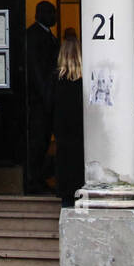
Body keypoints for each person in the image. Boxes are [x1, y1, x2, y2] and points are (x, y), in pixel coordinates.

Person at [24, 1, 59, 194]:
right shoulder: (34, 35)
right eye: (51, 13)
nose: (54, 16)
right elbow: (37, 70)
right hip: (39, 101)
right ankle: (33, 180)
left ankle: (38, 178)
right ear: (40, 14)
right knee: (38, 141)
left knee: (44, 141)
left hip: (46, 98)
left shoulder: (46, 35)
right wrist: (46, 97)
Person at [52, 28, 84, 208]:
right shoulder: (84, 80)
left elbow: (50, 105)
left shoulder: (56, 79)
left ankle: (66, 199)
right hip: (81, 129)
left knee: (64, 162)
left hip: (62, 130)